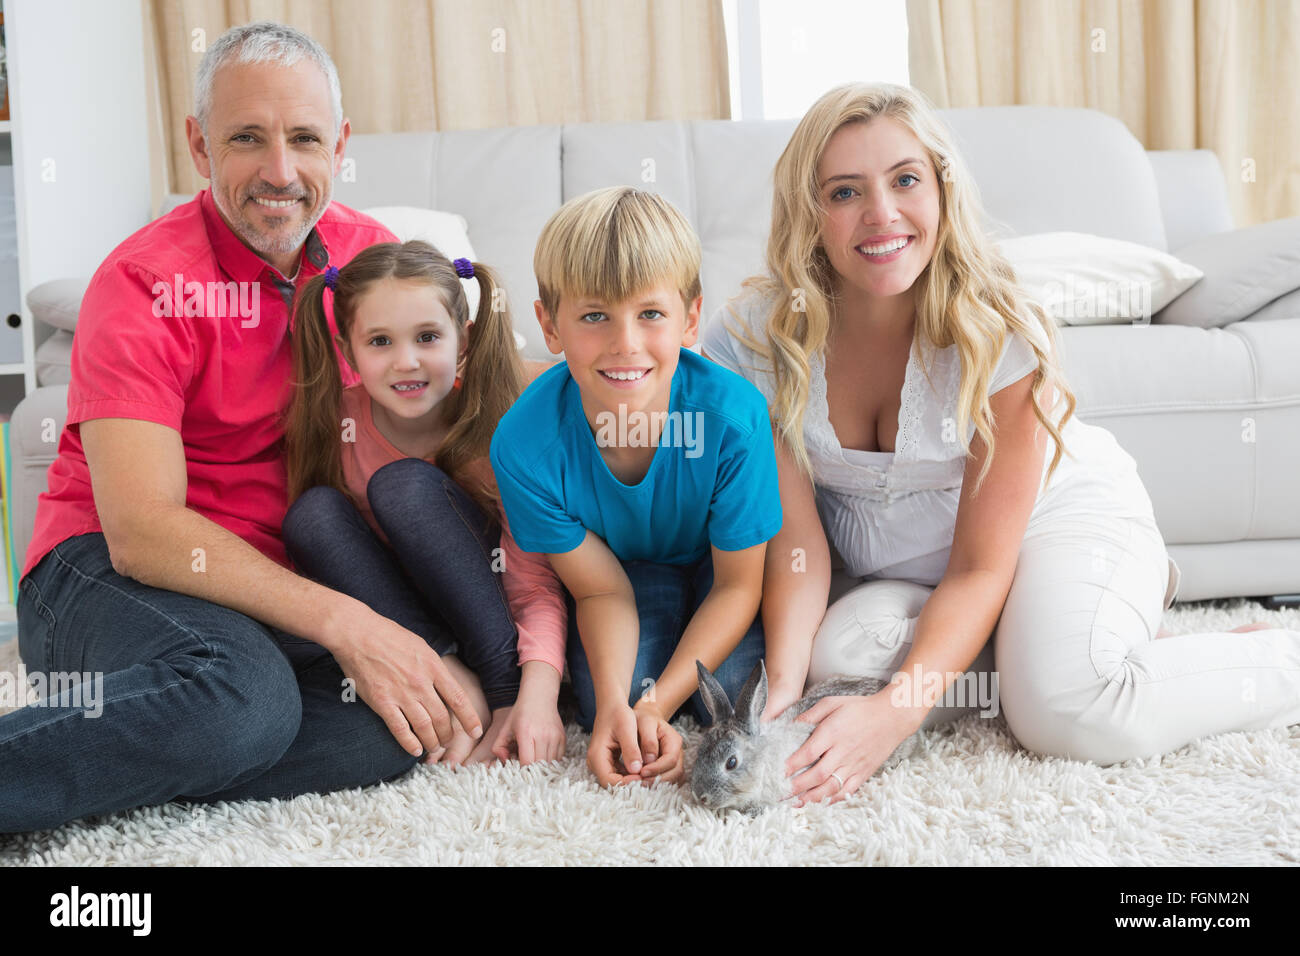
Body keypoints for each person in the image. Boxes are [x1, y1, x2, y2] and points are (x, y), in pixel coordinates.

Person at [701, 82, 1300, 807]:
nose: (881, 213)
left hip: (1054, 524)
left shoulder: (998, 330)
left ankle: (1261, 657)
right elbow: (798, 552)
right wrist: (782, 705)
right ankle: (1050, 649)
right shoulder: (766, 339)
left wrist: (895, 714)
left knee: (1070, 714)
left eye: (906, 180)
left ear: (943, 191)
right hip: (925, 576)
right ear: (809, 212)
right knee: (837, 663)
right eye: (844, 192)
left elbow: (982, 567)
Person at [0, 22, 483, 834]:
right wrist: (348, 622)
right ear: (198, 145)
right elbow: (143, 533)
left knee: (390, 724)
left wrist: (450, 651)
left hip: (268, 592)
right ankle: (194, 723)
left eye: (303, 138)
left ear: (341, 143)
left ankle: (165, 739)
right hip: (101, 575)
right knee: (243, 696)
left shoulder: (376, 264)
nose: (280, 171)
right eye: (247, 139)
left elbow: (438, 459)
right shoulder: (143, 283)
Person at [489, 186, 782, 787]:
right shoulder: (524, 445)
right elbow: (600, 593)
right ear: (549, 325)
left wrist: (655, 704)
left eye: (650, 314)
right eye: (595, 316)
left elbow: (737, 585)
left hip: (716, 569)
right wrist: (623, 713)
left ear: (690, 319)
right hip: (621, 578)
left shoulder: (734, 420)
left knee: (724, 699)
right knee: (605, 710)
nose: (625, 343)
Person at [280, 240, 567, 767]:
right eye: (381, 341)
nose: (405, 361)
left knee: (404, 487)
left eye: (428, 337)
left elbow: (538, 584)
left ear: (463, 343)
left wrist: (531, 693)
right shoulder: (337, 423)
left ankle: (497, 687)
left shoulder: (499, 426)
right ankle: (445, 672)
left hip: (502, 615)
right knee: (312, 514)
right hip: (416, 620)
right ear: (348, 352)